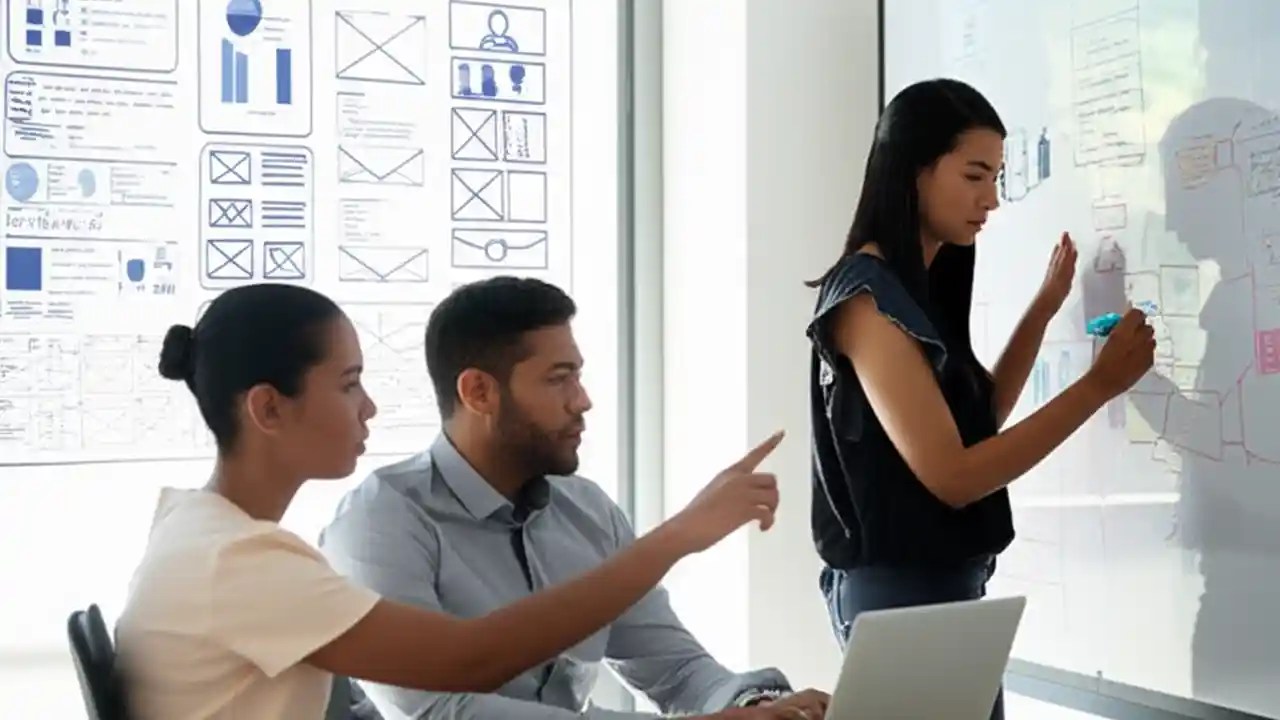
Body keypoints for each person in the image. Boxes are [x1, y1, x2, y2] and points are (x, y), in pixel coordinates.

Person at [114, 283, 802, 720]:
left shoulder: (207, 538)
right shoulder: (239, 561)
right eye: (349, 384)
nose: (370, 406)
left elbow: (671, 667)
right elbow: (464, 668)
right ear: (268, 407)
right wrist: (678, 535)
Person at [319, 277, 830, 720]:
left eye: (578, 376)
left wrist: (756, 704)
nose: (582, 401)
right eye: (559, 379)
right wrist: (679, 536)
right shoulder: (380, 522)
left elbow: (676, 672)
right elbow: (436, 713)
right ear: (478, 392)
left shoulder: (586, 511)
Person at [805, 78, 1157, 719]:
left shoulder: (914, 287)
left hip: (944, 600)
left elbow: (977, 424)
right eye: (974, 176)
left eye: (995, 177)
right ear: (914, 170)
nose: (990, 200)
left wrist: (1044, 310)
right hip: (903, 604)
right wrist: (1099, 386)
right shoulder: (866, 299)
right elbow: (955, 476)